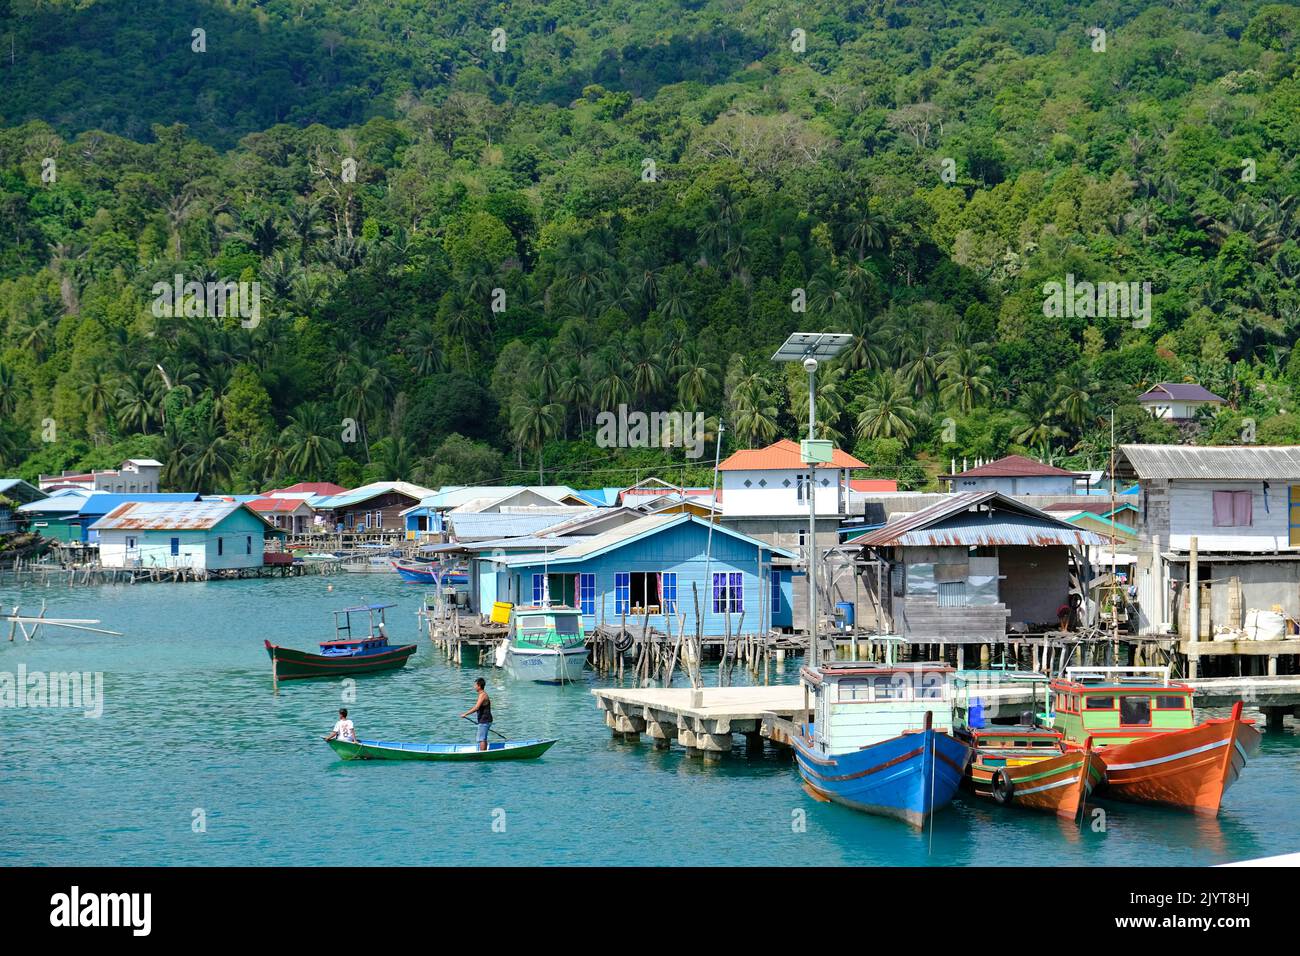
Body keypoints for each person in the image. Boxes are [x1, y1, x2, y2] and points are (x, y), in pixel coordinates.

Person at [461, 678, 493, 751]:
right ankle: (484, 751)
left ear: (479, 686)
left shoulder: (483, 695)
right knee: (482, 738)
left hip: (485, 720)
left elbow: (476, 707)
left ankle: (483, 754)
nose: (474, 687)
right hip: (485, 719)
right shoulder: (481, 694)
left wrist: (465, 714)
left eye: (475, 685)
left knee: (481, 738)